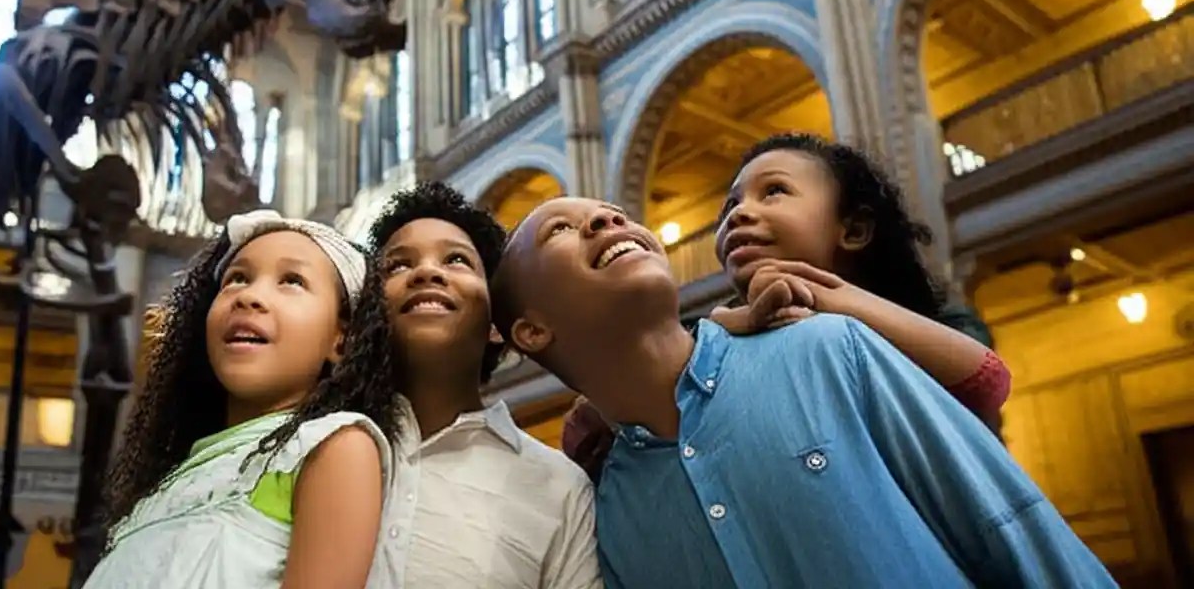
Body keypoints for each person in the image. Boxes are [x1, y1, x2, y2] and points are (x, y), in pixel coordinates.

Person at [492, 196, 1116, 587]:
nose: (609, 218)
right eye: (560, 231)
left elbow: (1010, 525)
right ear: (531, 330)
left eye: (616, 213)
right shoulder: (610, 508)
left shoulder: (830, 349)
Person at [563, 133, 1011, 480]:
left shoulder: (940, 322)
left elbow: (984, 381)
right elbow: (584, 429)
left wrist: (819, 294)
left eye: (774, 191)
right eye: (731, 205)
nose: (738, 214)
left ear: (853, 230)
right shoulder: (716, 343)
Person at [91, 210, 398, 588]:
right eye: (237, 279)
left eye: (292, 281)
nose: (250, 297)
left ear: (342, 339)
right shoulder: (170, 475)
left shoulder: (333, 446)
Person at [367, 182, 601, 588]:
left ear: (496, 324)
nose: (426, 271)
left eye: (456, 259)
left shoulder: (558, 486)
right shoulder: (322, 444)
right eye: (397, 265)